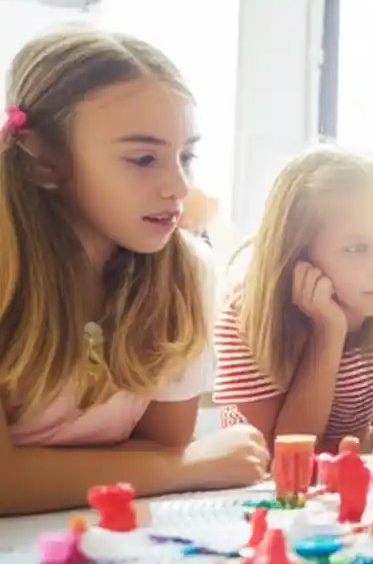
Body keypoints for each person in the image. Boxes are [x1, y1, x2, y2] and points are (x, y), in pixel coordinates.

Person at [0, 26, 269, 515]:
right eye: (144, 159)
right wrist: (187, 468)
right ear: (41, 159)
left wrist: (36, 472)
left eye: (185, 156)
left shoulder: (185, 274)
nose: (179, 186)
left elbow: (160, 447)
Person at [213, 148, 373, 453]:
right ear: (297, 252)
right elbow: (278, 462)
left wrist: (346, 449)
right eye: (357, 248)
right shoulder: (244, 318)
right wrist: (329, 332)